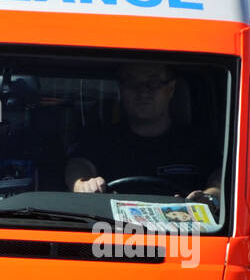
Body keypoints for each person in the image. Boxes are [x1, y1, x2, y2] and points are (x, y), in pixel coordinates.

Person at [65, 62, 220, 200]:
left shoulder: (199, 141)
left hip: (189, 231)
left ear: (171, 89)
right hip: (110, 229)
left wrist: (210, 197)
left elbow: (221, 180)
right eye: (132, 82)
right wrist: (83, 184)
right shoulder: (100, 139)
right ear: (122, 89)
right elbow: (78, 166)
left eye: (153, 83)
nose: (143, 91)